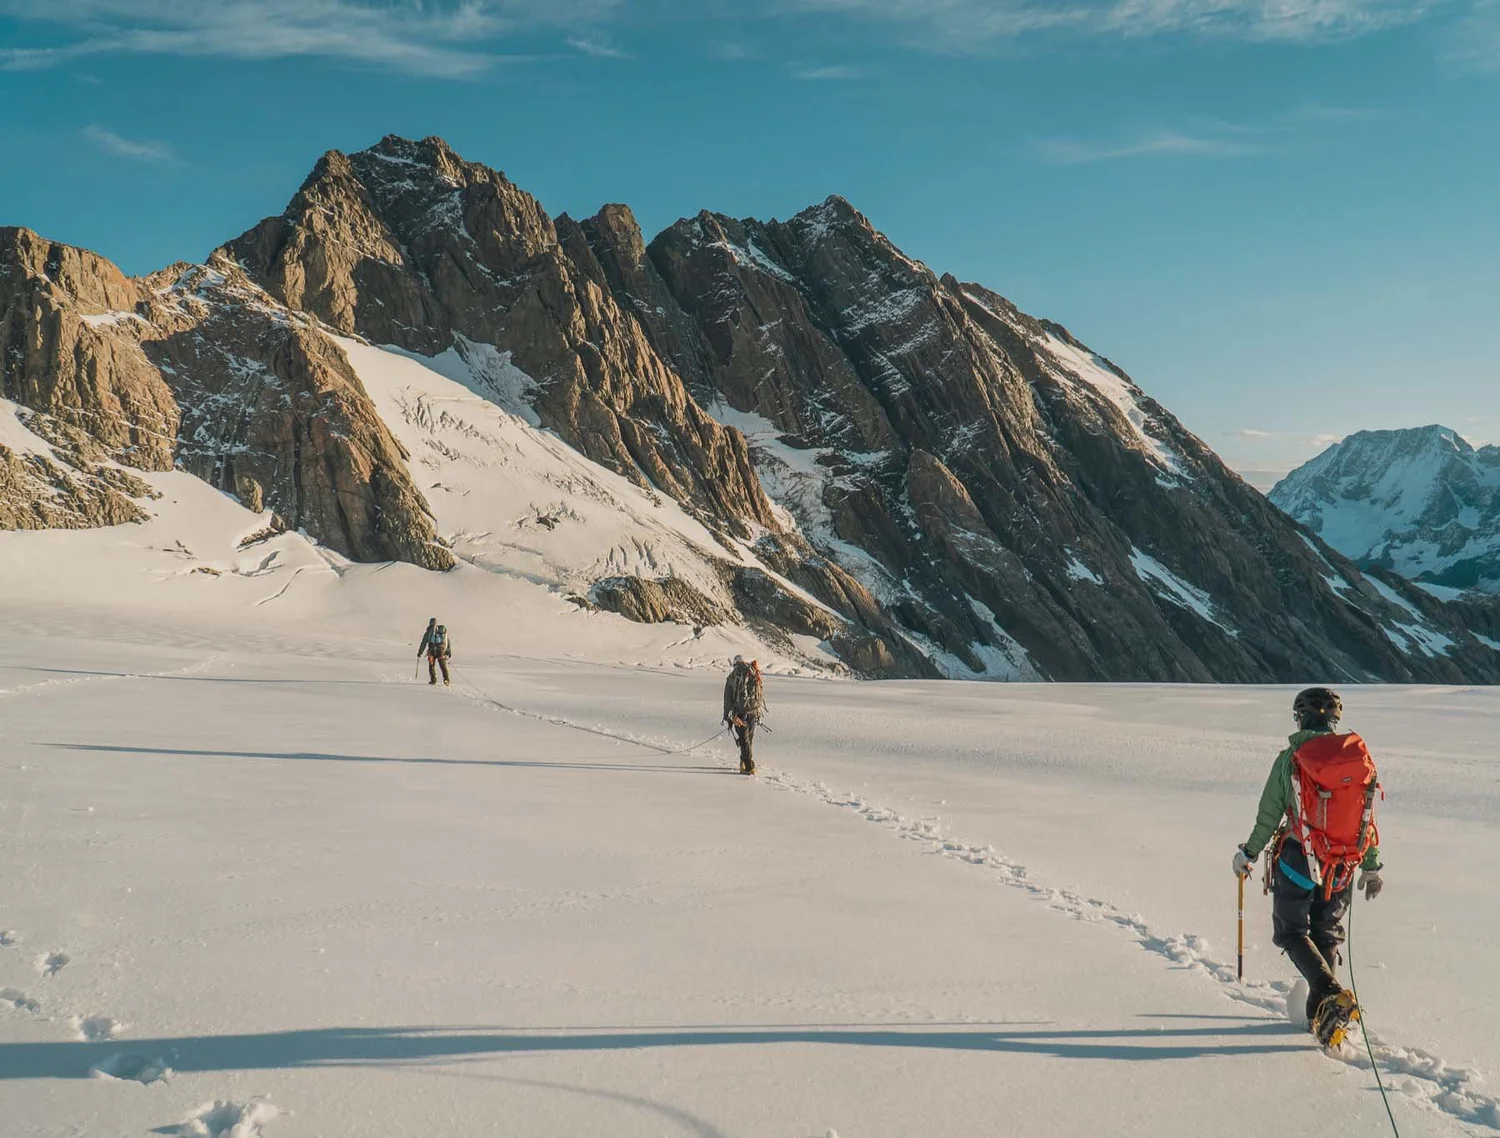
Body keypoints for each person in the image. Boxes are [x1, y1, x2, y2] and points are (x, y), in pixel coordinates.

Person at [1232, 687, 1383, 1049]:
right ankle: (1323, 1020)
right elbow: (1366, 818)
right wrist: (1372, 866)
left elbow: (1269, 814)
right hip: (1343, 864)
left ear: (1301, 718)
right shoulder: (1357, 761)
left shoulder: (1291, 759)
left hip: (1300, 859)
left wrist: (1248, 854)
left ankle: (1330, 994)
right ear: (1334, 720)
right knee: (1326, 934)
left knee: (1290, 931)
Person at [722, 656, 765, 775]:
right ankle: (743, 762)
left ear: (735, 664)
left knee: (744, 739)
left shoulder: (733, 676)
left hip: (740, 712)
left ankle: (749, 766)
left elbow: (727, 699)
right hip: (754, 711)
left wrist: (727, 717)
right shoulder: (753, 672)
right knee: (748, 738)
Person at [417, 617, 452, 687]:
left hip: (432, 651)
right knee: (443, 666)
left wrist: (420, 652)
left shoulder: (428, 632)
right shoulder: (442, 631)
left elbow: (423, 643)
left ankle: (433, 680)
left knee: (432, 666)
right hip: (441, 650)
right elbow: (447, 642)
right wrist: (448, 651)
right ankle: (446, 680)